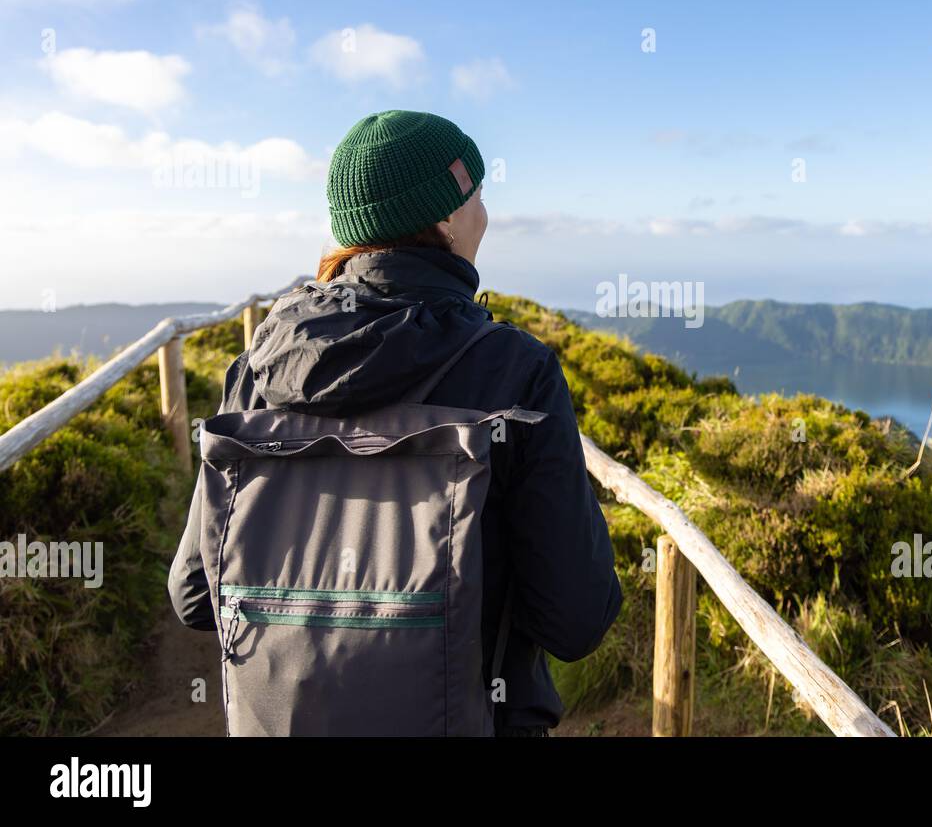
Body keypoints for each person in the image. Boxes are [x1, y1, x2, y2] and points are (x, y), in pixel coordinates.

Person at [168, 109, 623, 736]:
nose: (484, 215)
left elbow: (195, 593)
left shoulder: (257, 369)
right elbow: (576, 620)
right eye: (476, 196)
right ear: (443, 220)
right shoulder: (516, 372)